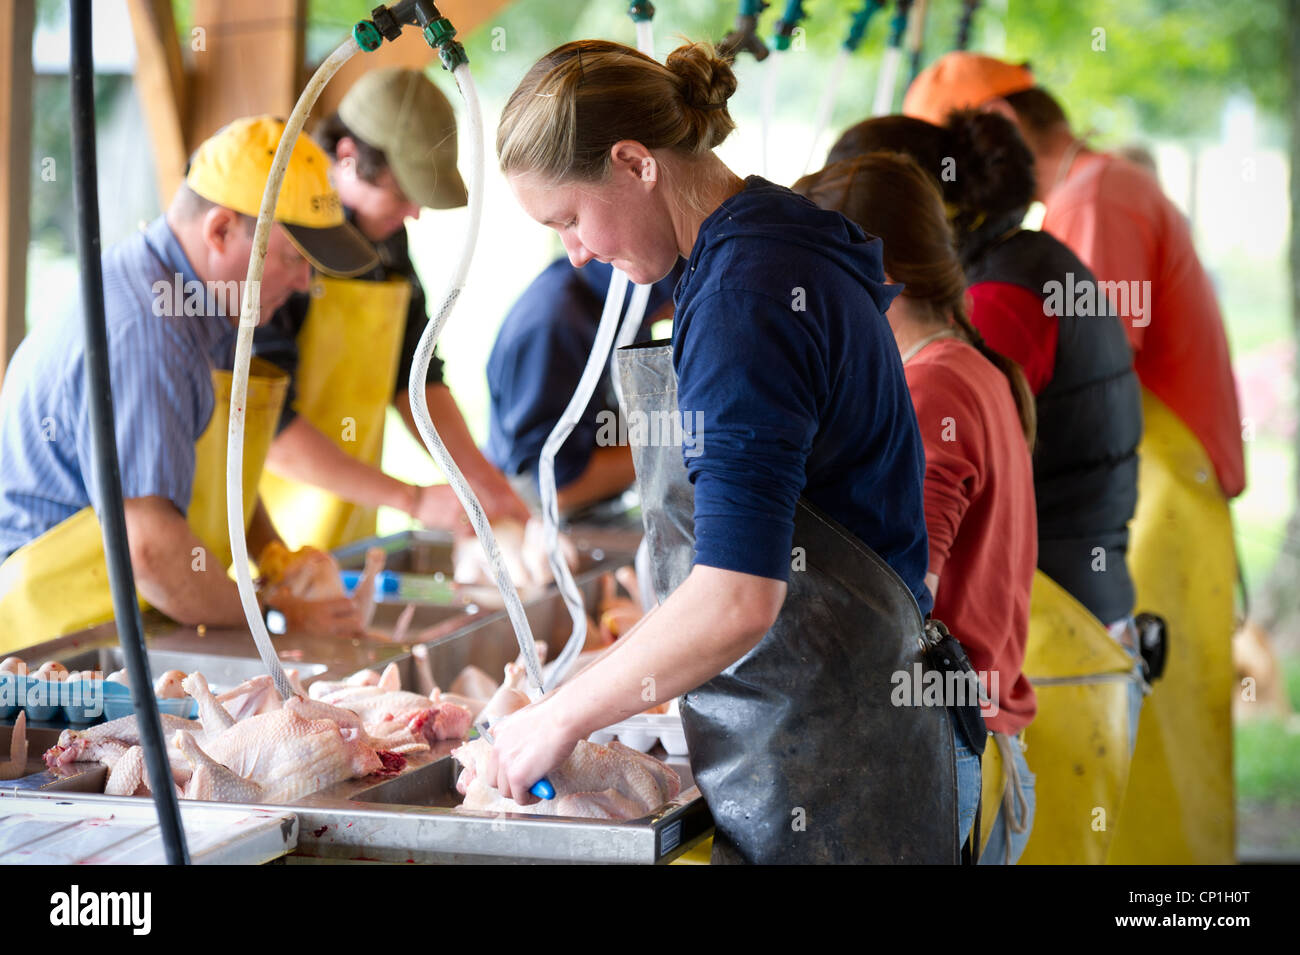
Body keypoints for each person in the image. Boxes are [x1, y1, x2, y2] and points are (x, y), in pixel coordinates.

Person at [481, 39, 959, 864]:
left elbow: (738, 597)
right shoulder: (769, 238)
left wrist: (559, 718)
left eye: (568, 218)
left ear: (634, 163)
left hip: (835, 782)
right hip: (849, 742)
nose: (577, 253)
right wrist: (580, 688)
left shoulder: (747, 298)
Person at [903, 53, 1241, 863]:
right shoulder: (1083, 209)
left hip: (1158, 493)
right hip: (1150, 485)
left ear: (1004, 129)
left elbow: (1079, 362)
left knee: (1158, 754)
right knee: (1158, 744)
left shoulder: (1093, 202)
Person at [825, 112, 1145, 746]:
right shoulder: (1002, 298)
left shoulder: (978, 328)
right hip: (1032, 651)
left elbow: (903, 593)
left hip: (1057, 634)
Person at [0, 117, 375, 651]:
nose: (303, 284)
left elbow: (212, 472)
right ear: (220, 229)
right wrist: (273, 614)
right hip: (51, 645)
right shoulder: (152, 332)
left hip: (122, 618)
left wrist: (271, 552)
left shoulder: (195, 302)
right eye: (294, 259)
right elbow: (151, 553)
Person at [794, 152, 1038, 864]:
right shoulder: (969, 366)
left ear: (878, 264)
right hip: (978, 740)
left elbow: (900, 599)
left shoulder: (933, 388)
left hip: (942, 752)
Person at [254, 68, 530, 552]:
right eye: (401, 194)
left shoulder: (388, 245)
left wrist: (487, 485)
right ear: (347, 157)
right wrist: (414, 501)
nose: (414, 214)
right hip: (262, 540)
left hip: (346, 530)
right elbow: (264, 428)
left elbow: (417, 379)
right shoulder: (282, 245)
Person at [484, 257, 681, 517]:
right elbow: (557, 487)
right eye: (675, 303)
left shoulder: (623, 305)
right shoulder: (554, 327)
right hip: (535, 509)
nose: (671, 314)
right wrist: (683, 447)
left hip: (604, 487)